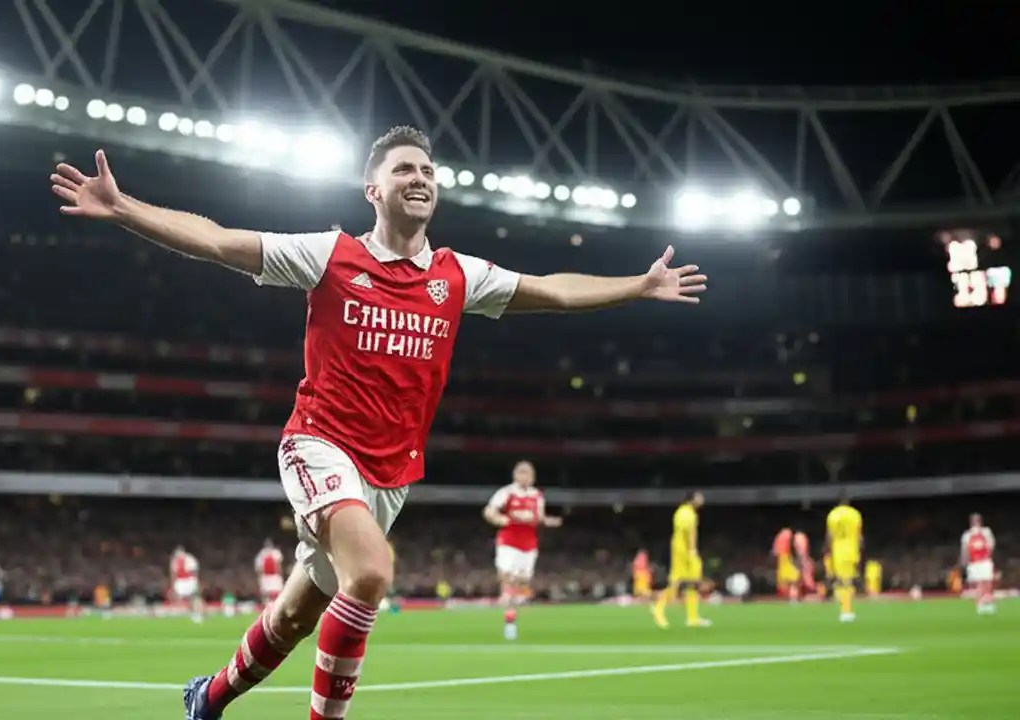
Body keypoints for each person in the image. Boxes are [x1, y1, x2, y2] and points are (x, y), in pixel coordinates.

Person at [49, 126, 707, 720]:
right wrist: (122, 207)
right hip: (320, 444)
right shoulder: (328, 255)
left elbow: (557, 290)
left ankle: (210, 697)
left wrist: (639, 285)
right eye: (404, 170)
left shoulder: (458, 276)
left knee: (298, 613)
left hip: (390, 475)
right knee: (371, 573)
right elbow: (222, 242)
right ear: (373, 188)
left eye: (427, 171)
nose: (419, 178)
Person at [483, 460, 562, 607]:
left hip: (528, 541)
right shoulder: (506, 492)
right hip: (508, 539)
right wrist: (499, 519)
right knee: (506, 571)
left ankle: (520, 598)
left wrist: (547, 521)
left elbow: (539, 517)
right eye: (521, 473)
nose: (524, 477)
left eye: (528, 474)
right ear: (515, 475)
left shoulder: (537, 495)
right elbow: (489, 511)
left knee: (524, 577)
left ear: (533, 477)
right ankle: (505, 596)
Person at [651, 491, 711, 629]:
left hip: (680, 550)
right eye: (699, 497)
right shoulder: (687, 514)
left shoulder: (682, 512)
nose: (702, 499)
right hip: (684, 552)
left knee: (690, 584)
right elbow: (689, 534)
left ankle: (692, 618)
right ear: (691, 499)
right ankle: (659, 608)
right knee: (679, 583)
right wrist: (692, 552)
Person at [825, 495, 863, 623]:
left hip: (838, 551)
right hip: (852, 550)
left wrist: (827, 551)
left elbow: (829, 536)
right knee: (848, 582)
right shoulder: (855, 514)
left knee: (842, 582)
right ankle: (846, 610)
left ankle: (845, 610)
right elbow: (860, 537)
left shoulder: (832, 515)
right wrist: (859, 551)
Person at [961, 513, 997, 615]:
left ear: (980, 521)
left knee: (988, 583)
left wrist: (988, 556)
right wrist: (965, 563)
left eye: (977, 520)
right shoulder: (967, 535)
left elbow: (991, 545)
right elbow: (965, 550)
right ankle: (979, 604)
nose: (975, 522)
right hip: (974, 563)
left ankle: (989, 604)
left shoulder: (986, 532)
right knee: (978, 584)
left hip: (985, 561)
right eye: (973, 520)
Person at [171, 546, 204, 624]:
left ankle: (196, 613)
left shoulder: (176, 561)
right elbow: (194, 571)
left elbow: (173, 574)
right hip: (188, 580)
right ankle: (197, 614)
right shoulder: (189, 558)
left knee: (192, 599)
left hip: (183, 581)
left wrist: (173, 585)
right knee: (195, 598)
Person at [255, 539, 285, 607]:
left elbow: (259, 568)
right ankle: (276, 606)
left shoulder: (261, 554)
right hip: (274, 576)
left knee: (267, 594)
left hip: (266, 577)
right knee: (277, 593)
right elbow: (278, 565)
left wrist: (260, 578)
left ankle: (267, 606)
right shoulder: (275, 553)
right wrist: (281, 575)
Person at [772, 528, 800, 601]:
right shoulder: (788, 534)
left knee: (789, 583)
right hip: (785, 561)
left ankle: (791, 599)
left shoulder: (778, 537)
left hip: (783, 562)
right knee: (793, 582)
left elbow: (774, 552)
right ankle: (792, 599)